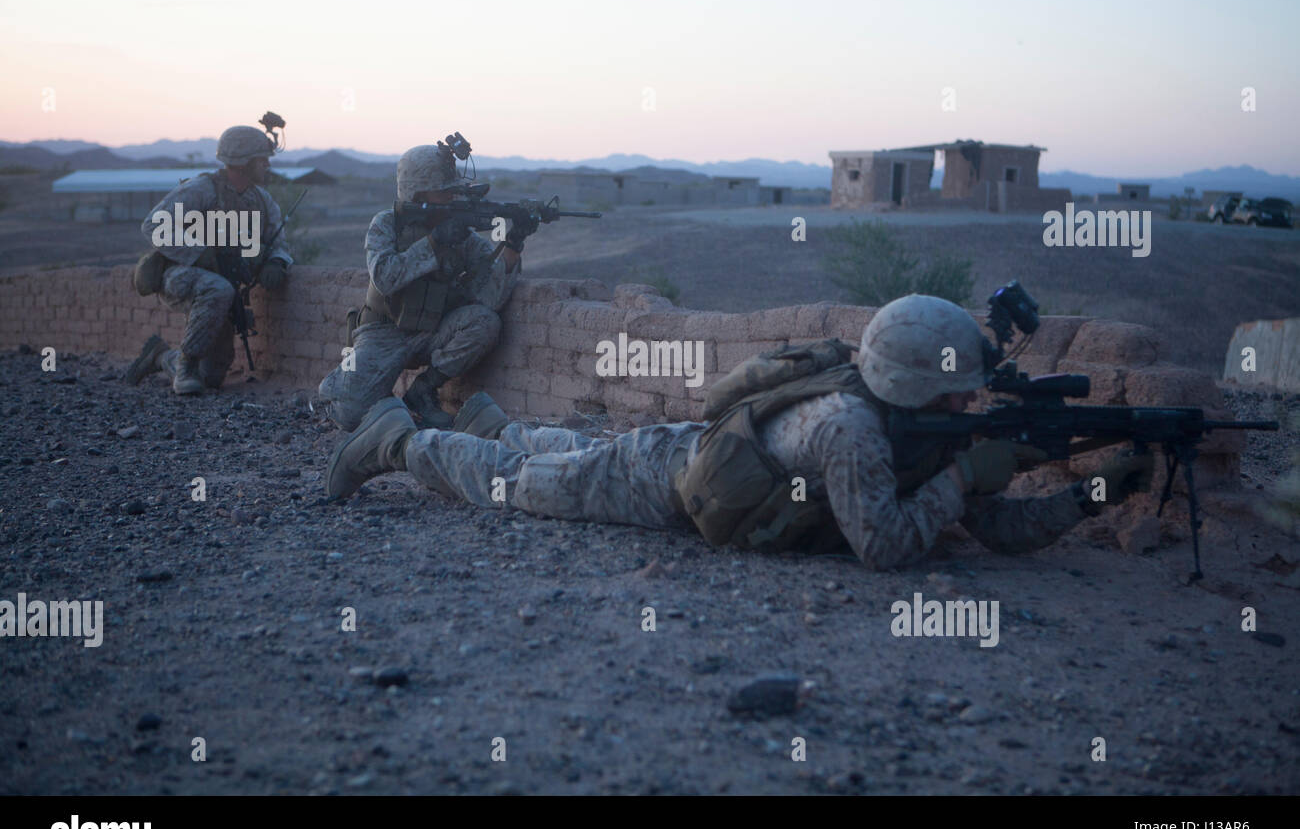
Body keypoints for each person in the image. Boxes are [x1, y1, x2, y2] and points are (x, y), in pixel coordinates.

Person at [322, 294, 1154, 570]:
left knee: (566, 454)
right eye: (962, 396)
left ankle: (488, 422)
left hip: (690, 457)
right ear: (922, 389)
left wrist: (1091, 492)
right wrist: (970, 475)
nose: (972, 409)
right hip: (664, 482)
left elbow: (992, 528)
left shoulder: (906, 421)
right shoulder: (853, 431)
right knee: (520, 490)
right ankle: (396, 441)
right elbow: (887, 547)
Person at [316, 142, 521, 430]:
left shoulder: (460, 233)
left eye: (454, 191)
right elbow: (385, 277)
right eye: (444, 192)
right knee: (350, 416)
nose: (451, 198)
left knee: (485, 322)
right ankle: (339, 383)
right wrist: (434, 243)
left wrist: (513, 245)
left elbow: (487, 297)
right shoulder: (386, 224)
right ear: (418, 193)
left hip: (432, 331)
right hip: (383, 332)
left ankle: (423, 392)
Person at [125, 124, 292, 394]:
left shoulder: (262, 201)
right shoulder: (203, 190)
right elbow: (154, 225)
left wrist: (277, 262)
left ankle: (162, 357)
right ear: (243, 163)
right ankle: (186, 366)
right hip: (181, 276)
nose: (266, 167)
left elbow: (280, 244)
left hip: (224, 290)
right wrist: (198, 252)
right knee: (218, 289)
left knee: (211, 377)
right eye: (262, 161)